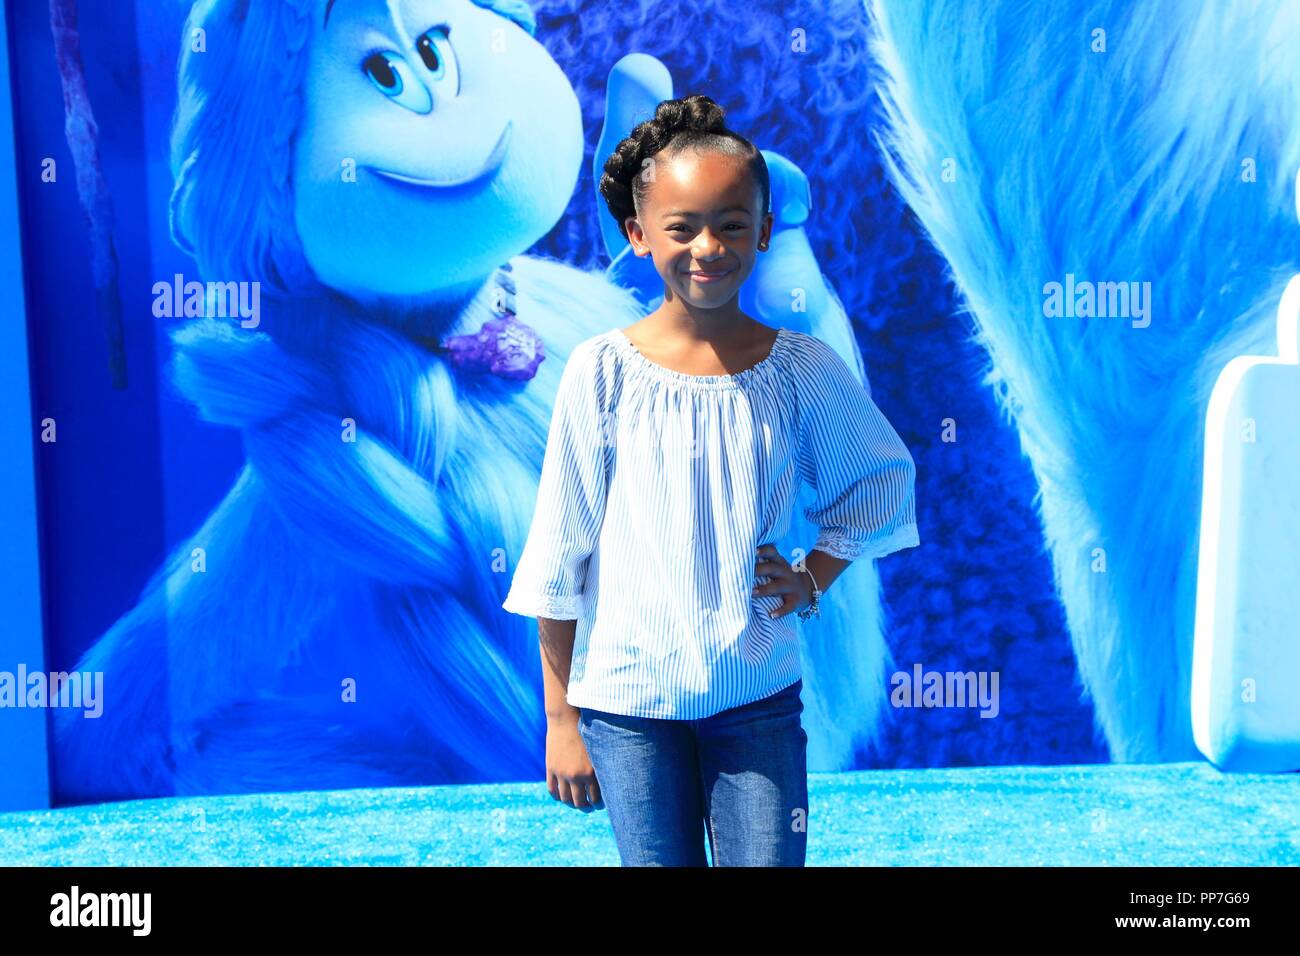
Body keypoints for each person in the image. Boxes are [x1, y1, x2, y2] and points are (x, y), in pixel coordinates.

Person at [502, 93, 919, 866]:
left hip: (755, 702)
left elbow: (881, 480)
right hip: (627, 712)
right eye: (681, 227)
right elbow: (560, 554)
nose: (708, 247)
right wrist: (562, 721)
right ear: (636, 234)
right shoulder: (600, 372)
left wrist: (813, 577)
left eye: (732, 225)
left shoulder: (800, 368)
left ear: (763, 231)